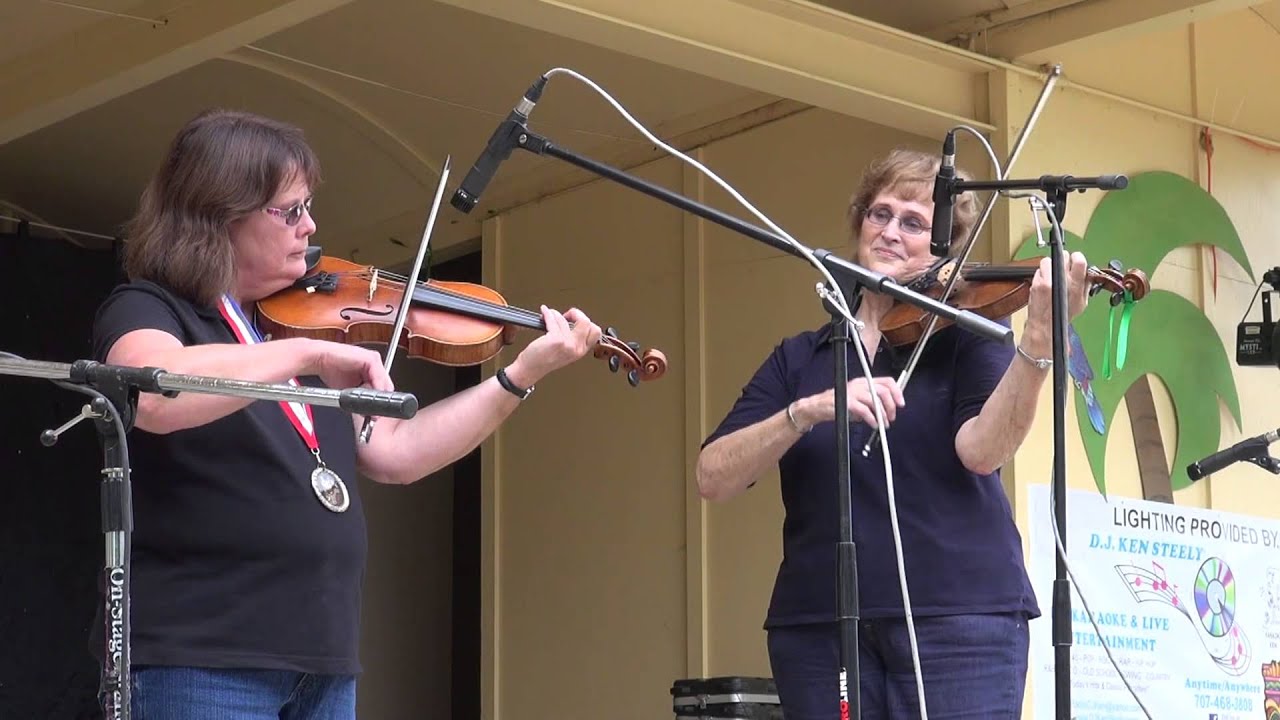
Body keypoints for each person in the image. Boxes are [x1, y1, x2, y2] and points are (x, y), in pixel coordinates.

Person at [90, 108, 602, 718]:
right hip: (200, 658)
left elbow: (395, 452)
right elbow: (152, 392)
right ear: (220, 215)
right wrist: (305, 354)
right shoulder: (150, 308)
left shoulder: (298, 319)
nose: (310, 226)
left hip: (322, 664)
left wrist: (519, 376)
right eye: (289, 211)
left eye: (307, 207)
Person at [695, 148, 1090, 719]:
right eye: (880, 214)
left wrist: (1037, 342)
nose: (890, 232)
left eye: (913, 223)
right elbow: (713, 476)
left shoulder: (968, 333)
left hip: (958, 623)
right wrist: (804, 411)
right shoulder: (802, 357)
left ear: (944, 248)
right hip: (820, 629)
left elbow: (983, 450)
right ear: (859, 222)